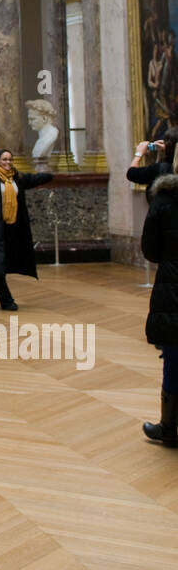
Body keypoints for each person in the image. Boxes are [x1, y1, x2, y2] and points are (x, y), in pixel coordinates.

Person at [0, 149, 52, 310]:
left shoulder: (16, 178)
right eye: (4, 160)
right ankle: (6, 300)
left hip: (10, 228)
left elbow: (33, 179)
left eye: (10, 160)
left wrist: (52, 175)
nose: (8, 163)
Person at [140, 169, 178, 446]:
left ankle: (169, 427)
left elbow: (150, 250)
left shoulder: (162, 202)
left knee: (175, 354)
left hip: (173, 282)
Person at [127, 128, 178, 200]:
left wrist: (139, 153)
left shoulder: (161, 168)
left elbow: (131, 173)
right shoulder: (166, 167)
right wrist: (161, 154)